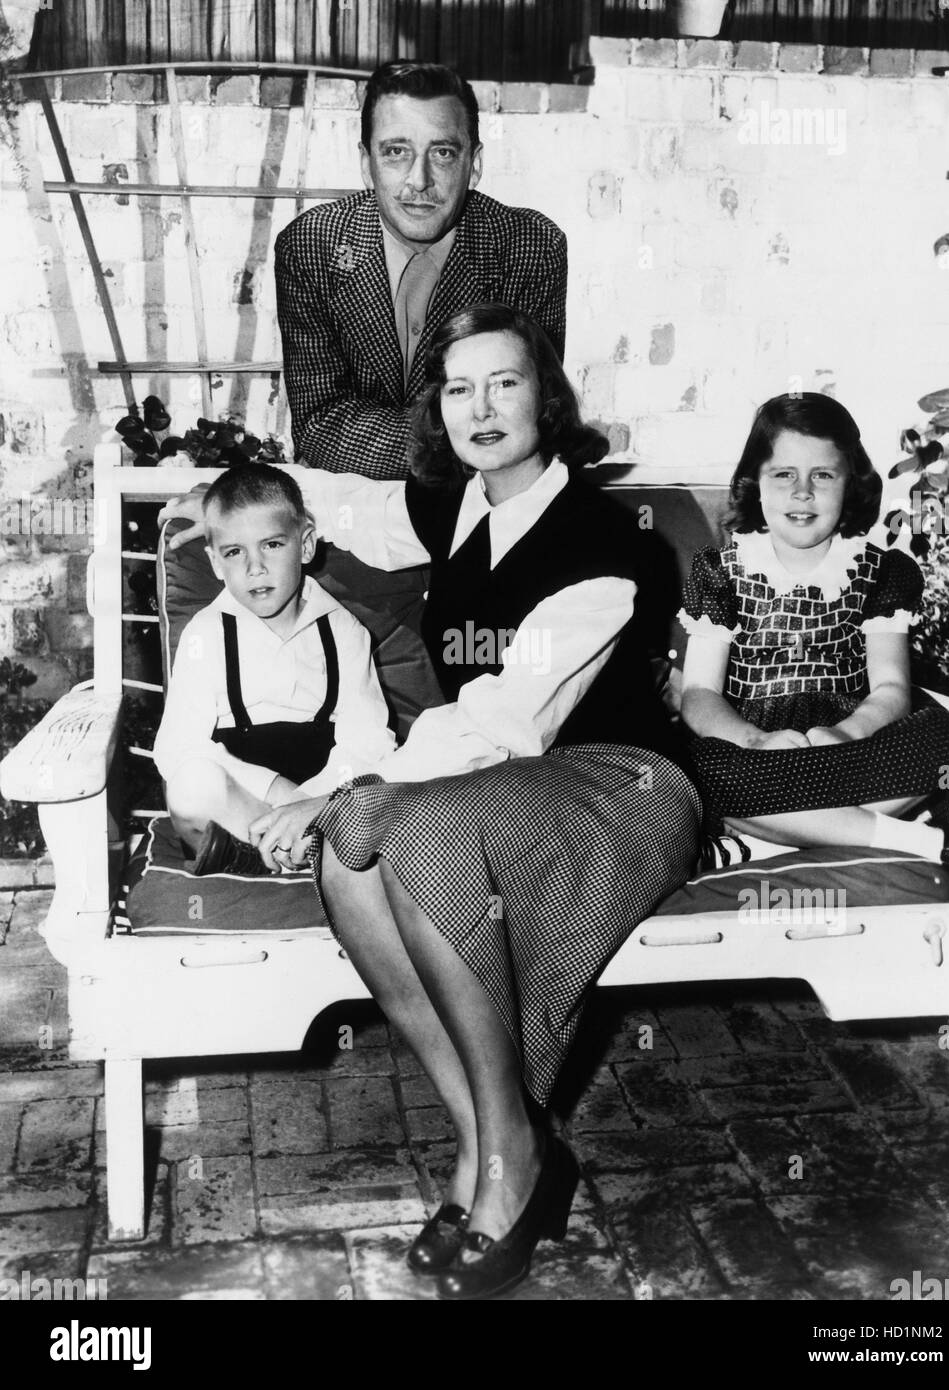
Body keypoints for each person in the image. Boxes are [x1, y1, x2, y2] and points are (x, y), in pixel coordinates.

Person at [166, 305, 701, 1298]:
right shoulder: (461, 509)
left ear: (546, 395)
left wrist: (363, 784)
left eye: (505, 382)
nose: (483, 406)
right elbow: (349, 507)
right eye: (459, 388)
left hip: (619, 778)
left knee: (405, 831)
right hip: (497, 780)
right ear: (440, 410)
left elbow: (513, 711)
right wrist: (212, 497)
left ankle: (502, 1164)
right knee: (350, 855)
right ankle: (504, 1146)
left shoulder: (605, 536)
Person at [273, 61, 569, 734]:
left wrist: (479, 440)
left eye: (443, 153)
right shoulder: (311, 247)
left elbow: (526, 423)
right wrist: (463, 430)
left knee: (487, 742)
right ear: (364, 160)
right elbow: (320, 427)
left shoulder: (530, 248)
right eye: (396, 152)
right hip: (355, 548)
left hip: (483, 536)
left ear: (475, 161)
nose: (419, 181)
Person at [678, 392, 949, 888]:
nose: (802, 492)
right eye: (783, 475)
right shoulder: (721, 572)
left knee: (940, 738)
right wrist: (753, 740)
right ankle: (922, 841)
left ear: (851, 484)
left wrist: (849, 733)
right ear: (754, 483)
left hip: (850, 740)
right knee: (700, 768)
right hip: (755, 746)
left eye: (822, 475)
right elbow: (699, 694)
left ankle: (781, 830)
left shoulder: (881, 572)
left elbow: (890, 688)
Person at [153, 465, 395, 877]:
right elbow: (176, 747)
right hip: (241, 804)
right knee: (190, 786)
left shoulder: (344, 632)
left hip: (322, 806)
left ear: (304, 545)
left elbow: (370, 742)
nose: (255, 568)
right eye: (234, 552)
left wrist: (308, 803)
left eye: (271, 545)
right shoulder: (207, 634)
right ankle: (260, 853)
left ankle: (301, 855)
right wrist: (275, 793)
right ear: (214, 562)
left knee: (378, 788)